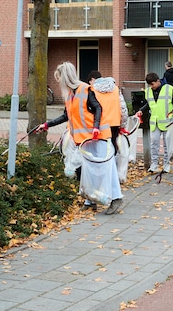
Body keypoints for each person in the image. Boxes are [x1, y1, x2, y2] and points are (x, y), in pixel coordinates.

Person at [38, 62, 124, 214]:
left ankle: (116, 198)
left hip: (99, 135)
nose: (59, 83)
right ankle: (90, 200)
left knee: (106, 167)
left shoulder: (85, 89)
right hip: (85, 139)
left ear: (66, 78)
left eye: (59, 79)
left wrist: (96, 127)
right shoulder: (70, 95)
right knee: (89, 170)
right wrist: (47, 125)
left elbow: (98, 108)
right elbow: (66, 115)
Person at [143, 72, 173, 173]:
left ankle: (166, 164)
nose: (151, 86)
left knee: (167, 144)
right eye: (149, 85)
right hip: (155, 122)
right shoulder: (148, 91)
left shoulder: (168, 89)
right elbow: (148, 104)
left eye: (152, 84)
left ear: (158, 81)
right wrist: (141, 110)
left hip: (167, 122)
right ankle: (154, 164)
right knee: (154, 143)